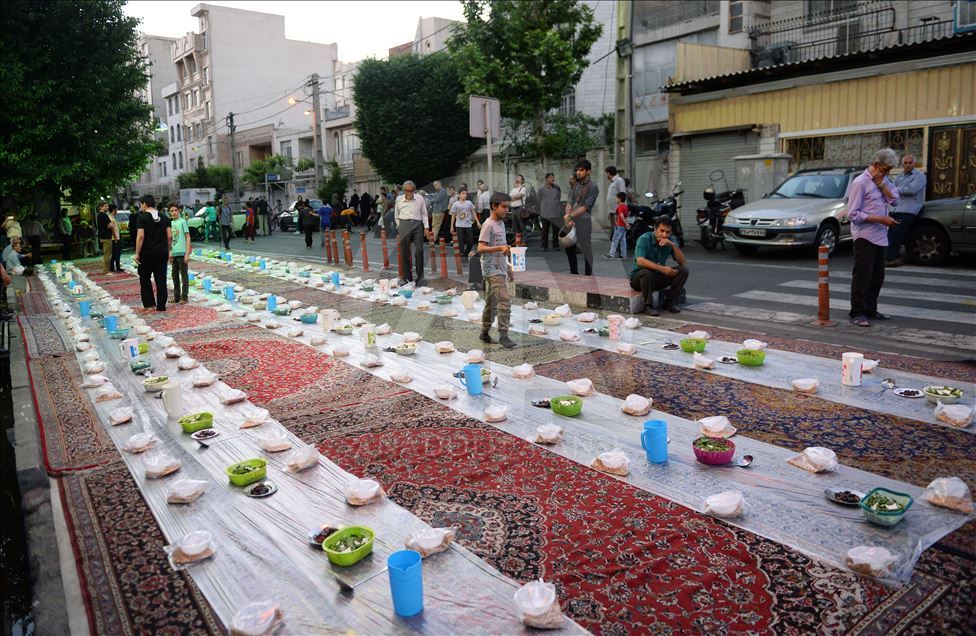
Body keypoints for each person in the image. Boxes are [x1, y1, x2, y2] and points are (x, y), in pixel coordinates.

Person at [848, 148, 900, 328]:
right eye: (885, 169)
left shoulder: (885, 180)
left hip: (881, 235)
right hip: (865, 235)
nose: (887, 172)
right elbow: (853, 214)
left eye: (889, 170)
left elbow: (895, 200)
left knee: (878, 276)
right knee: (863, 275)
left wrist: (882, 185)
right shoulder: (860, 182)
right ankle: (857, 312)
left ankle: (871, 309)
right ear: (876, 165)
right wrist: (880, 219)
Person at [478, 192, 517, 349]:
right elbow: (480, 248)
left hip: (500, 268)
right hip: (491, 269)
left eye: (508, 207)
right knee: (504, 300)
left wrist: (509, 267)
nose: (506, 210)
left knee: (492, 302)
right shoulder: (488, 225)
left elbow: (503, 248)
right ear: (494, 206)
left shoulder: (501, 224)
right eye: (504, 207)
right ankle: (503, 334)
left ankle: (484, 332)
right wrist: (499, 248)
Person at [630, 216, 688, 316]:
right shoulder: (644, 239)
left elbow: (682, 262)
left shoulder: (670, 241)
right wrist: (662, 269)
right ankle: (648, 306)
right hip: (639, 280)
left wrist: (673, 246)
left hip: (656, 278)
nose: (664, 235)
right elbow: (640, 261)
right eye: (661, 230)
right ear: (655, 229)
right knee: (647, 272)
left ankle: (669, 303)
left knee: (683, 270)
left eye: (667, 232)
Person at [132, 195, 172, 312]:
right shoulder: (165, 218)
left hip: (146, 253)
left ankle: (149, 303)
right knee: (161, 279)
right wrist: (169, 250)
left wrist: (136, 253)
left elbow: (141, 236)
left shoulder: (142, 218)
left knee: (145, 278)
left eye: (141, 204)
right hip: (162, 252)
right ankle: (161, 306)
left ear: (144, 204)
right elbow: (169, 236)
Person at [886, 154, 926, 267]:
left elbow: (911, 190)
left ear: (914, 164)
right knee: (890, 234)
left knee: (896, 233)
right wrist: (895, 189)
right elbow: (892, 188)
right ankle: (895, 256)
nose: (908, 165)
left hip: (908, 209)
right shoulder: (900, 176)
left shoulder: (920, 176)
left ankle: (890, 258)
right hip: (895, 208)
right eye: (905, 163)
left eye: (910, 163)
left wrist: (895, 189)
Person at [563, 159, 598, 276]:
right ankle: (574, 273)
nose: (578, 172)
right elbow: (569, 201)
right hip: (571, 221)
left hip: (584, 221)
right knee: (569, 247)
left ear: (588, 171)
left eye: (581, 170)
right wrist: (567, 215)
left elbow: (586, 207)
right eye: (577, 170)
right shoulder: (576, 186)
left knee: (586, 248)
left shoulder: (593, 187)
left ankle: (588, 275)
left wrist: (570, 216)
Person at [395, 180, 432, 285]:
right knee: (404, 252)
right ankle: (407, 278)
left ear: (414, 190)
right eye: (407, 191)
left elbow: (424, 214)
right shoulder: (399, 200)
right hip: (404, 224)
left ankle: (420, 278)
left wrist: (426, 228)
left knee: (419, 250)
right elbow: (396, 215)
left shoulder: (420, 199)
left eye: (411, 190)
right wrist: (400, 227)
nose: (409, 193)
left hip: (417, 225)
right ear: (404, 191)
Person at [168, 201, 191, 304]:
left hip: (182, 253)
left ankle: (184, 297)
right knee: (174, 276)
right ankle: (176, 297)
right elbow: (169, 239)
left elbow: (188, 237)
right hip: (174, 253)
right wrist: (170, 252)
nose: (174, 212)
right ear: (169, 212)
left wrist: (187, 253)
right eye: (172, 211)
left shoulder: (182, 222)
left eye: (176, 210)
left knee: (184, 276)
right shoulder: (170, 223)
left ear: (179, 210)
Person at [450, 188, 480, 259]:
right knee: (461, 243)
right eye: (463, 193)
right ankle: (462, 257)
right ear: (459, 194)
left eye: (466, 193)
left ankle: (466, 254)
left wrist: (478, 222)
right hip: (459, 225)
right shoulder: (455, 204)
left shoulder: (469, 203)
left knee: (470, 242)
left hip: (468, 224)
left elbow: (473, 212)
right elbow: (453, 215)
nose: (465, 195)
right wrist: (451, 226)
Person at [537, 172, 562, 251]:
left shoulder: (557, 188)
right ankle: (544, 246)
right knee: (544, 231)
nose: (553, 179)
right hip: (545, 213)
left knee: (556, 231)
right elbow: (538, 201)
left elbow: (558, 199)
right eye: (551, 177)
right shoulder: (541, 190)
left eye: (553, 177)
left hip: (555, 213)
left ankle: (556, 245)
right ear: (546, 179)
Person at [606, 192, 630, 259]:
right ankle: (624, 255)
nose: (615, 200)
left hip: (620, 226)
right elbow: (626, 215)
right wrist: (626, 223)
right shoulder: (625, 206)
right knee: (623, 240)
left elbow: (621, 216)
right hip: (623, 226)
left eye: (616, 198)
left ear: (619, 199)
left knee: (615, 240)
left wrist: (625, 223)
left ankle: (611, 254)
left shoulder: (620, 206)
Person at [95, 202, 114, 274]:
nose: (107, 207)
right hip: (106, 237)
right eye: (106, 206)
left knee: (106, 254)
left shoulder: (99, 215)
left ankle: (106, 270)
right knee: (107, 255)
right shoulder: (104, 215)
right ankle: (106, 271)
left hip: (102, 236)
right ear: (101, 207)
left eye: (107, 206)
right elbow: (111, 225)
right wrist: (110, 225)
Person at [509, 174, 528, 240]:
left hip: (520, 208)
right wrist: (514, 197)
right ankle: (517, 240)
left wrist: (513, 197)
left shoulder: (523, 188)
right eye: (516, 177)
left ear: (522, 180)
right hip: (513, 209)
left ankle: (524, 240)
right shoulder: (513, 189)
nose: (517, 178)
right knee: (515, 226)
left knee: (522, 225)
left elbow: (519, 196)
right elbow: (509, 198)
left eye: (519, 177)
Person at [108, 204, 122, 272]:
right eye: (116, 209)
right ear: (114, 210)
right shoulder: (111, 218)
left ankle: (114, 267)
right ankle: (115, 267)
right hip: (115, 238)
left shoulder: (112, 217)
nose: (117, 211)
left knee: (115, 253)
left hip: (115, 237)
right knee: (116, 253)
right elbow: (112, 230)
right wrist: (116, 238)